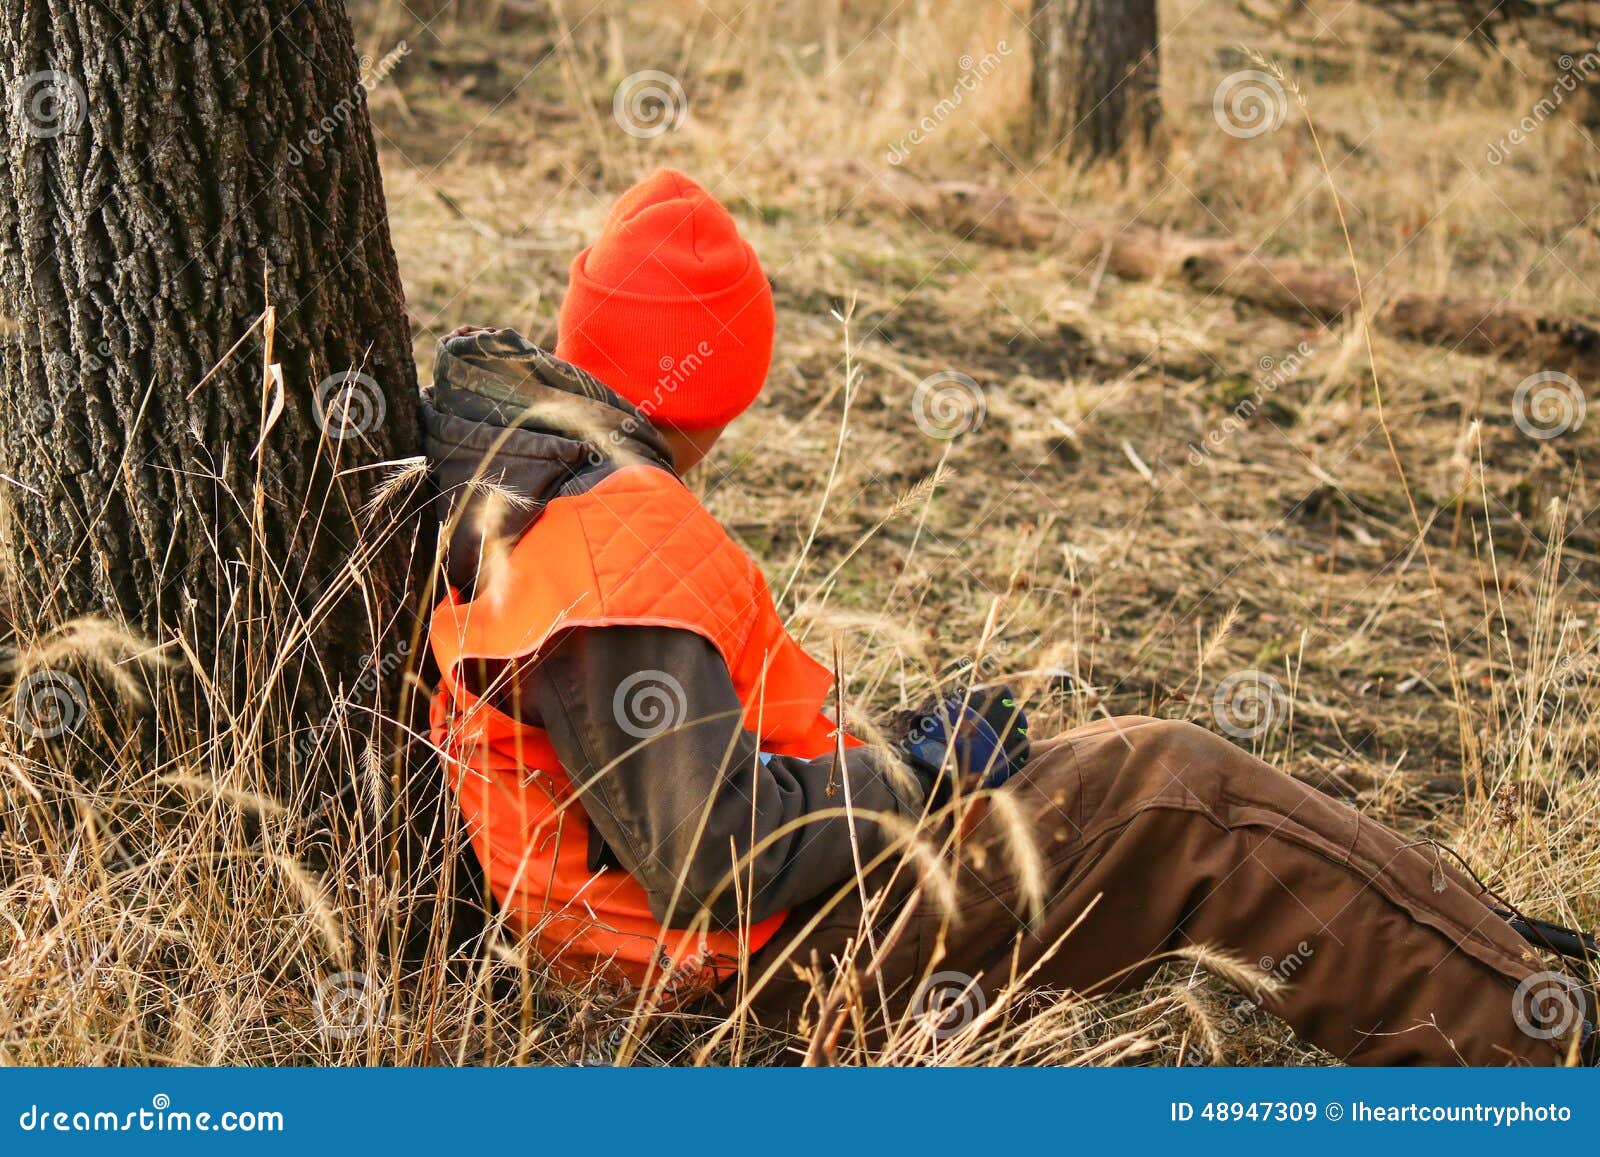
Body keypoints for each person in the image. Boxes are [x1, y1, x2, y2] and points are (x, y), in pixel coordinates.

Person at [424, 168, 1593, 1065]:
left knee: (1105, 762)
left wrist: (907, 760)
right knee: (1174, 794)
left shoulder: (532, 486)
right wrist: (919, 775)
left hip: (710, 963)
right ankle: (1545, 1047)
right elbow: (705, 856)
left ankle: (1509, 966)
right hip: (747, 985)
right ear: (729, 378)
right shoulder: (621, 527)